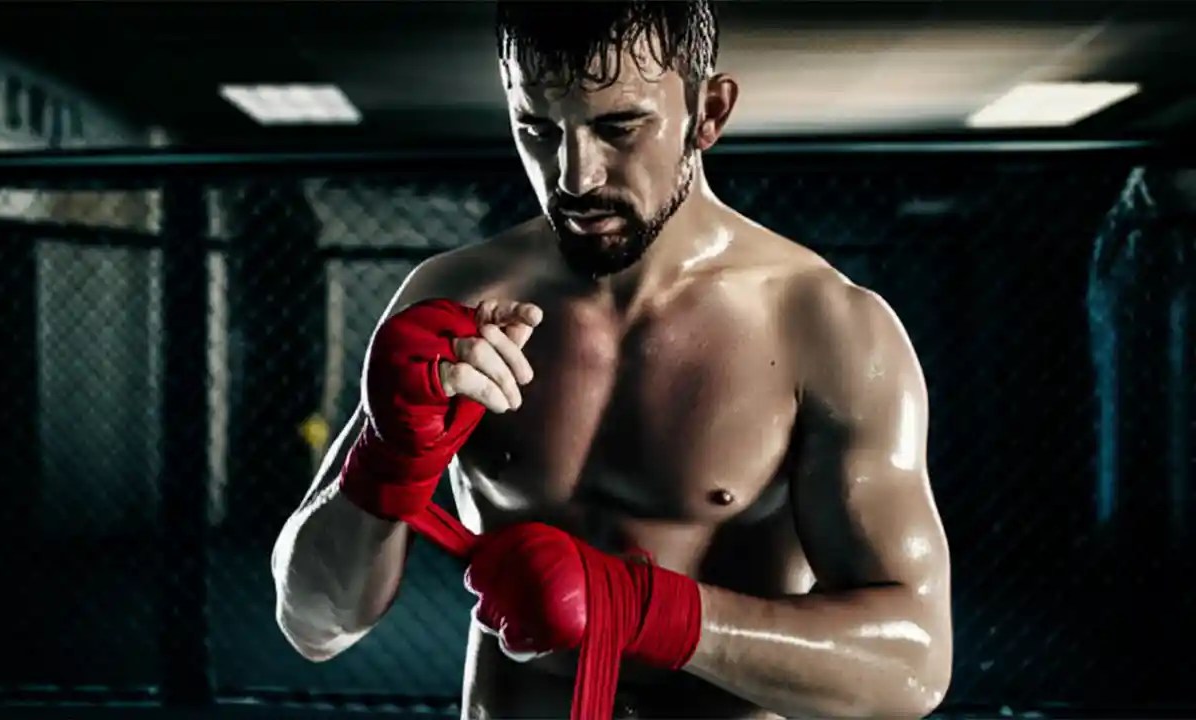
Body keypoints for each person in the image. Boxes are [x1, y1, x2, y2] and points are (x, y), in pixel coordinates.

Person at [271, 1, 954, 717]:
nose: (574, 175)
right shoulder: (456, 300)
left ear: (708, 111)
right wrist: (387, 457)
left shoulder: (826, 327)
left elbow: (911, 668)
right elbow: (314, 624)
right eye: (536, 128)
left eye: (618, 126)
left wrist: (645, 612)